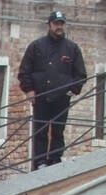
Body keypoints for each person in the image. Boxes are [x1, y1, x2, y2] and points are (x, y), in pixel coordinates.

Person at [18, 11, 87, 170]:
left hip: (61, 97)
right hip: (41, 96)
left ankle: (55, 159)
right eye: (56, 24)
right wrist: (28, 90)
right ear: (50, 25)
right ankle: (40, 161)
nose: (59, 27)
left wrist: (72, 90)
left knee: (58, 130)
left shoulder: (72, 48)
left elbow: (81, 74)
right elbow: (24, 71)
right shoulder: (36, 46)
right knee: (40, 130)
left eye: (61, 24)